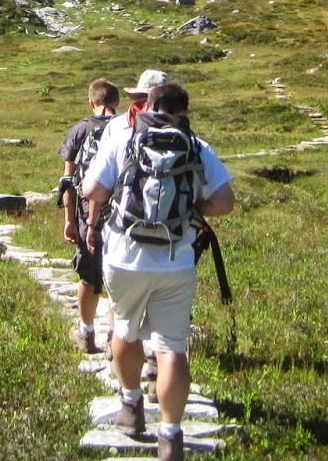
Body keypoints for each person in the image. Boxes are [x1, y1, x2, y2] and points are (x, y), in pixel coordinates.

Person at [83, 81, 234, 461]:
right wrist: (194, 207)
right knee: (172, 348)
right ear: (184, 111)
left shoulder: (124, 137)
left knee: (125, 330)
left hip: (125, 256)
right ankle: (170, 435)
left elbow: (92, 190)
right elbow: (225, 202)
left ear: (148, 105)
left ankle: (131, 407)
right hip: (176, 260)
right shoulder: (197, 146)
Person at [57, 77, 119, 353]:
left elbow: (67, 181)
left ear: (91, 102)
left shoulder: (80, 130)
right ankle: (115, 339)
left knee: (89, 276)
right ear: (116, 103)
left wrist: (69, 220)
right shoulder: (126, 128)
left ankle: (86, 332)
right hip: (122, 212)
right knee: (118, 280)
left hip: (86, 212)